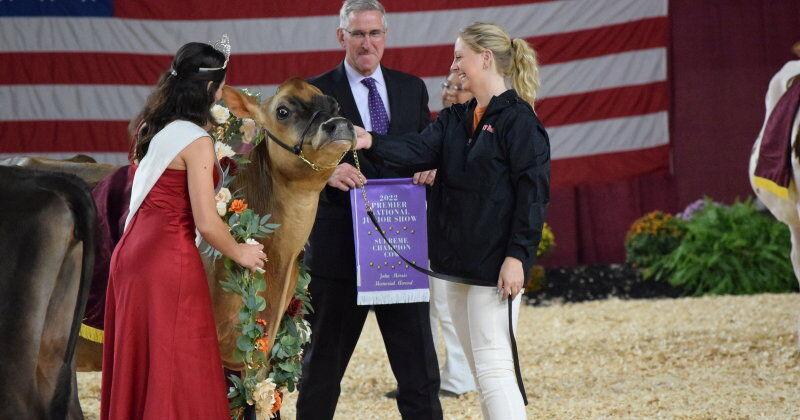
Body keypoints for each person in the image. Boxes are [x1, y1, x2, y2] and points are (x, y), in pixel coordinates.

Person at [354, 22, 550, 420]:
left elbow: (533, 196)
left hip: (494, 265)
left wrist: (518, 257)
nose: (454, 64)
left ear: (486, 58)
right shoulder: (456, 117)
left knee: (494, 367)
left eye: (460, 56)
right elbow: (416, 149)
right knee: (482, 370)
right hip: (455, 263)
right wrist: (370, 140)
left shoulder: (520, 122)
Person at [100, 41, 267, 419]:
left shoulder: (151, 126)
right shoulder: (196, 140)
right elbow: (206, 223)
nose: (223, 93)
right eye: (222, 86)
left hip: (130, 257)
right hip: (167, 261)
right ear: (210, 89)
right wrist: (241, 252)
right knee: (179, 366)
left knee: (144, 365)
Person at [296, 1, 443, 419]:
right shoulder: (315, 94)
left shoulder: (410, 87)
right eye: (357, 34)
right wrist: (323, 172)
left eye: (374, 33)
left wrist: (433, 165)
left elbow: (426, 148)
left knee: (420, 376)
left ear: (386, 36)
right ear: (340, 36)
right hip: (340, 253)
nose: (367, 43)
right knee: (321, 373)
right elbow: (288, 159)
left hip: (400, 252)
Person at [427, 71, 478, 397]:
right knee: (431, 306)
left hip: (459, 230)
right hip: (432, 223)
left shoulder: (475, 130)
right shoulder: (441, 126)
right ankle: (429, 377)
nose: (450, 93)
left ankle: (461, 378)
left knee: (448, 306)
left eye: (459, 88)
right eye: (447, 86)